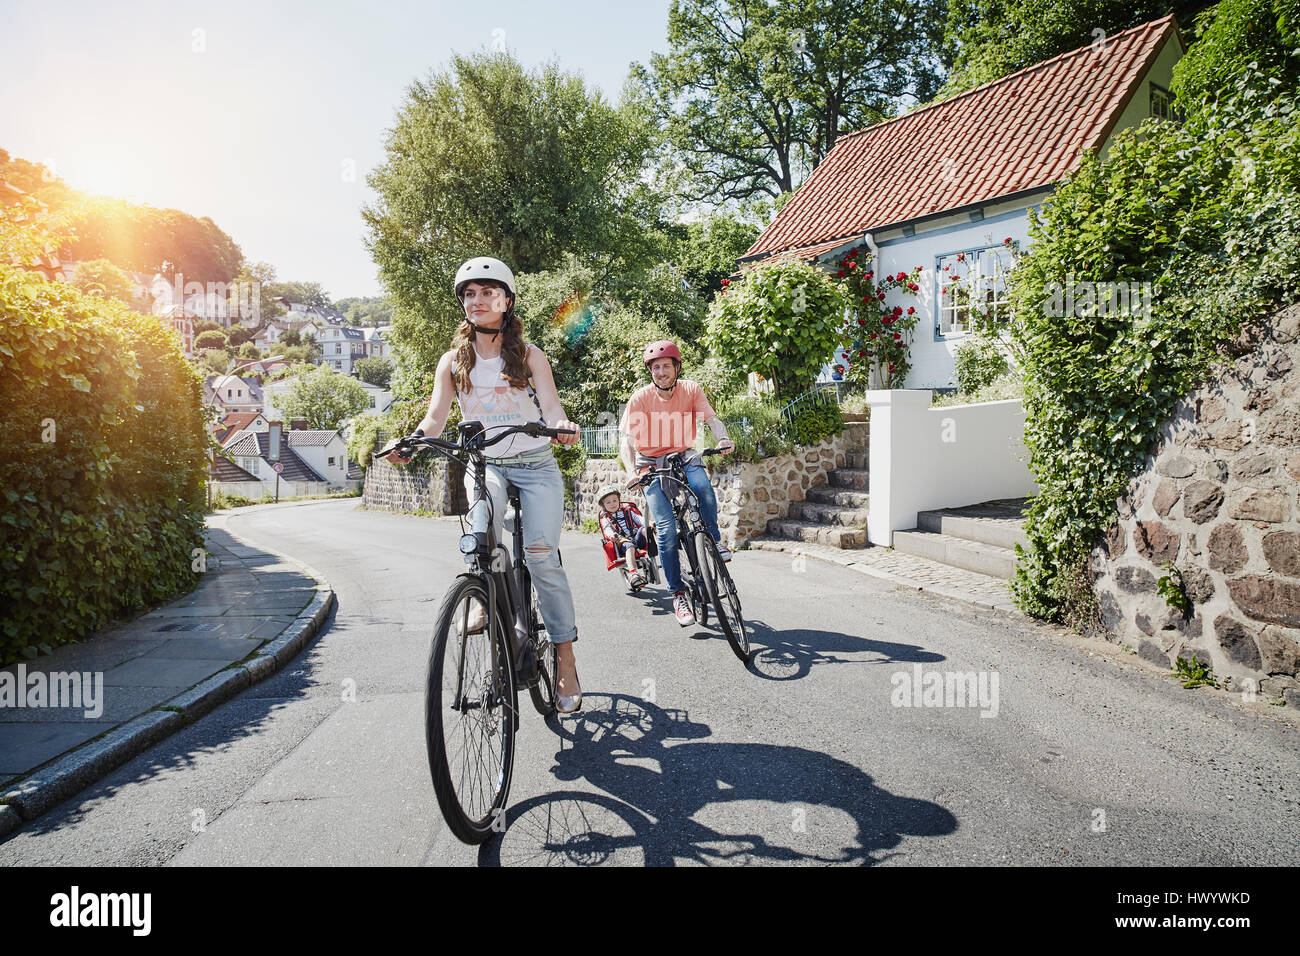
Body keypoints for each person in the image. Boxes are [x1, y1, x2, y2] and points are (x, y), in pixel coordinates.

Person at [386, 256, 584, 714]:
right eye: (469, 293)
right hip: (486, 464)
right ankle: (483, 594)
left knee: (540, 557)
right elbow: (436, 417)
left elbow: (551, 406)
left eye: (488, 292)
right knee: (480, 536)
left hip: (535, 464)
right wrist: (412, 443)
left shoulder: (530, 355)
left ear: (507, 300)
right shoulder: (454, 361)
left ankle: (565, 656)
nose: (478, 300)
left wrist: (562, 424)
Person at [619, 340, 734, 627]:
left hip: (683, 454)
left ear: (676, 367)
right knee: (667, 531)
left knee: (703, 488)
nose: (660, 372)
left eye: (665, 367)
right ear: (651, 371)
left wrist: (722, 438)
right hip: (650, 463)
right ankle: (678, 594)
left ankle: (715, 541)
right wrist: (631, 471)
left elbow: (711, 419)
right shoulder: (640, 398)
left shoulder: (691, 390)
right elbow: (627, 442)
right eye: (655, 367)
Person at [596, 484, 648, 589]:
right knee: (629, 546)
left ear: (619, 500)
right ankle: (633, 574)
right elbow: (607, 529)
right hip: (622, 542)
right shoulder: (605, 518)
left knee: (645, 529)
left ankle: (662, 550)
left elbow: (639, 519)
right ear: (603, 505)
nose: (612, 504)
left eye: (615, 500)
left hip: (636, 538)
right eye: (608, 502)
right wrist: (612, 536)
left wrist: (648, 525)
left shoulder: (628, 510)